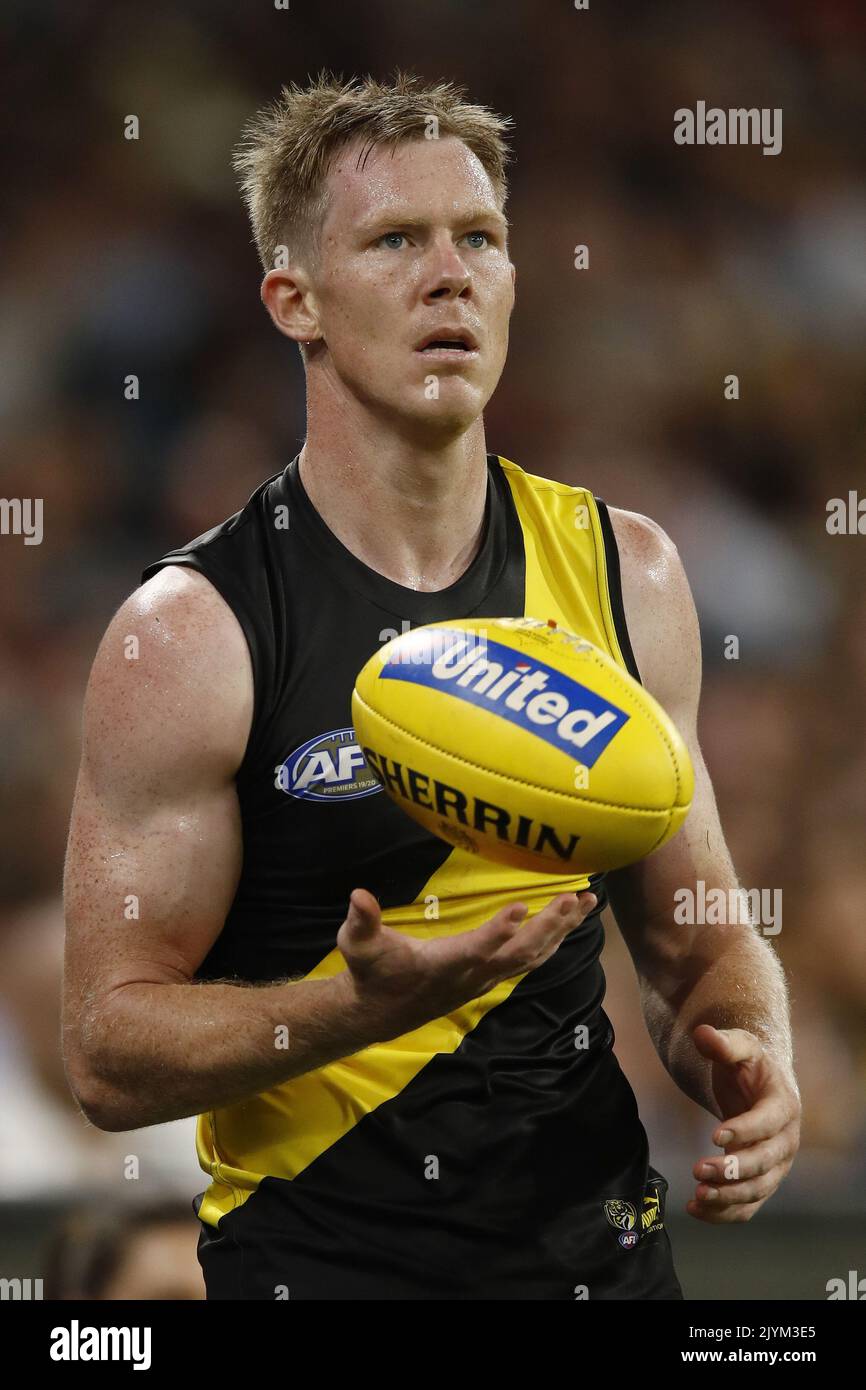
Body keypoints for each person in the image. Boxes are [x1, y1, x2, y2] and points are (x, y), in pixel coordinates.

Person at [62, 71, 800, 1300]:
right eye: (395, 240)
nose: (449, 273)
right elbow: (106, 1052)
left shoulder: (629, 574)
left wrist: (749, 1048)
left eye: (479, 239)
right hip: (321, 1267)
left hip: (600, 1266)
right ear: (293, 299)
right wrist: (346, 1009)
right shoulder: (194, 634)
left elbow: (691, 936)